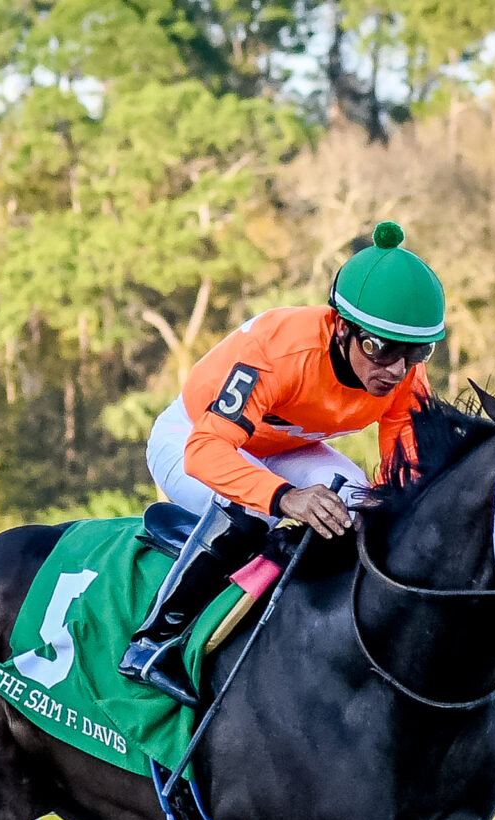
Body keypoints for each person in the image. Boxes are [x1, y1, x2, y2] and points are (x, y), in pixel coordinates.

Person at [119, 221, 445, 705]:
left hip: (281, 446)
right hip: (192, 437)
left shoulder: (405, 377)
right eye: (380, 348)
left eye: (416, 351)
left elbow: (406, 473)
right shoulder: (279, 352)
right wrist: (285, 497)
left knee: (356, 505)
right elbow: (206, 450)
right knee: (257, 509)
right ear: (341, 327)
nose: (395, 369)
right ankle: (152, 644)